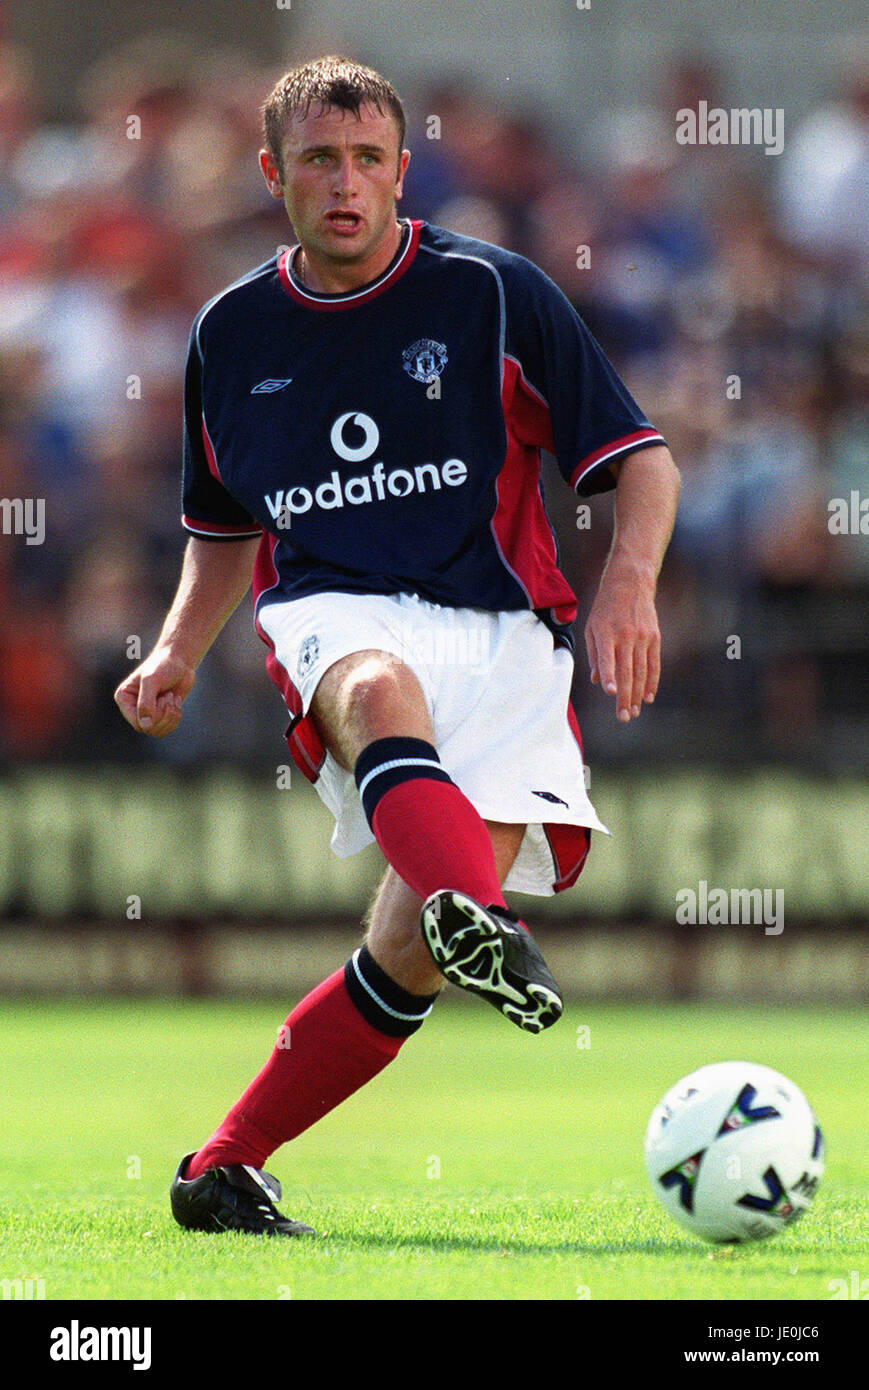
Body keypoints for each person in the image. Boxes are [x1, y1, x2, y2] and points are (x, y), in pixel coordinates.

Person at [114, 56, 681, 1237]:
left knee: (409, 954)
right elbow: (220, 533)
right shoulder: (229, 333)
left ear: (400, 173)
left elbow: (641, 459)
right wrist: (173, 649)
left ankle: (222, 1167)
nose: (344, 183)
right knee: (373, 692)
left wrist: (627, 583)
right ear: (272, 174)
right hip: (336, 608)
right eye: (319, 159)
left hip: (509, 636)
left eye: (367, 159)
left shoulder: (490, 291)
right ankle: (496, 925)